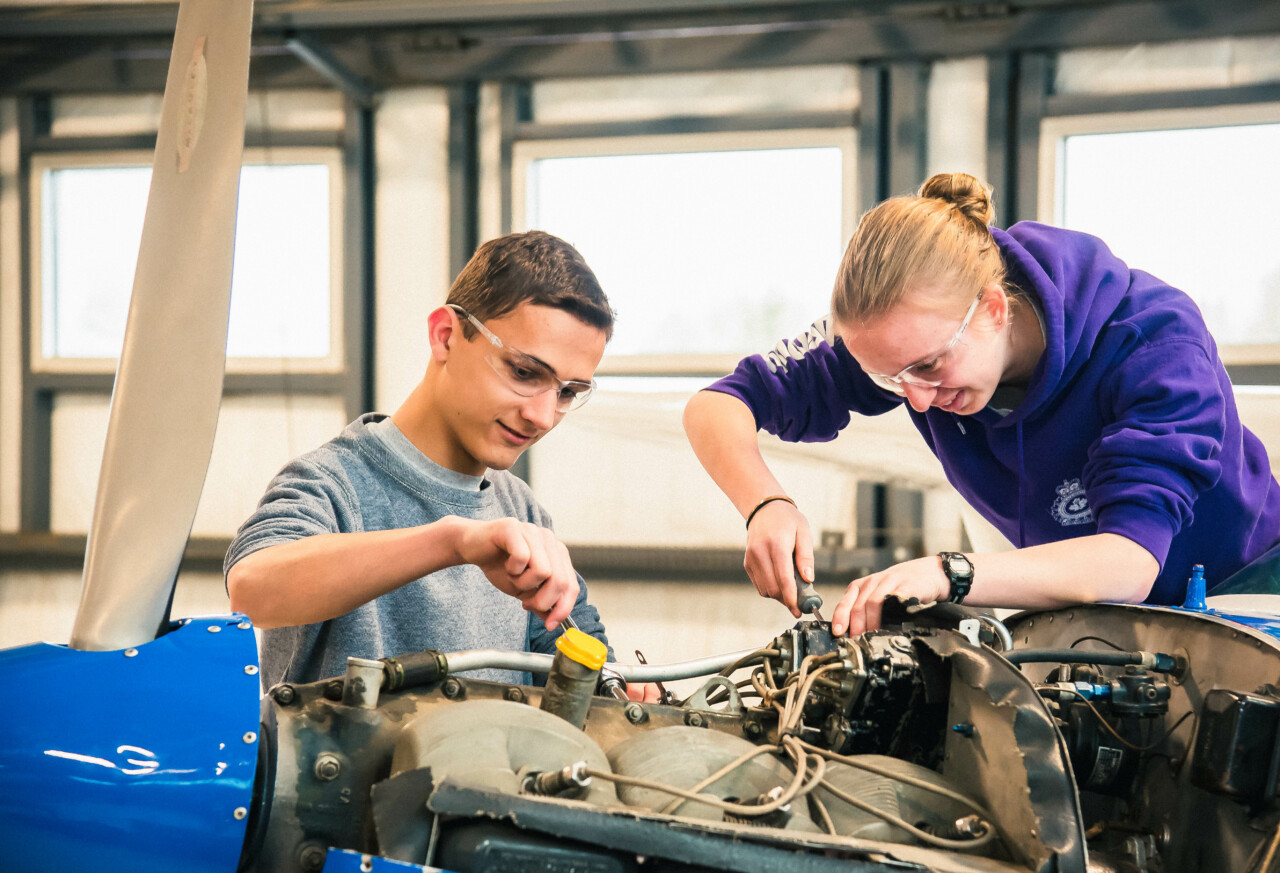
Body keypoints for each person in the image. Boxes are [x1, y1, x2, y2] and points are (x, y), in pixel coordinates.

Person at [684, 172, 1280, 639]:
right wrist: (765, 502)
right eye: (887, 378)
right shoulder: (905, 336)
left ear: (995, 309)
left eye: (928, 367)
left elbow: (1127, 563)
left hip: (1248, 604)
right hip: (1103, 619)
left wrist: (948, 572)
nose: (915, 398)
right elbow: (717, 406)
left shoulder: (1153, 346)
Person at [227, 230, 655, 699]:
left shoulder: (522, 510)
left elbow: (586, 670)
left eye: (568, 392)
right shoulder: (332, 483)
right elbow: (251, 590)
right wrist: (454, 541)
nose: (541, 415)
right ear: (446, 336)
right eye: (524, 372)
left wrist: (627, 693)